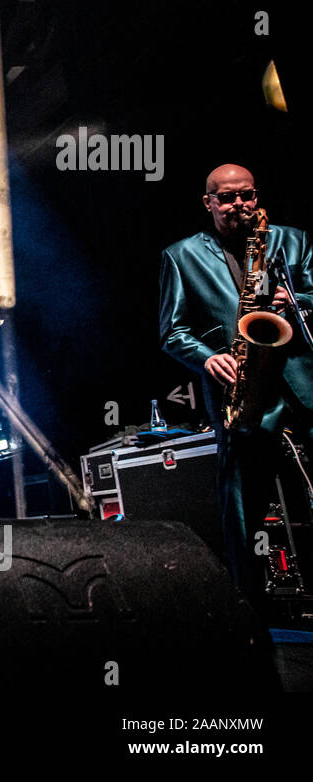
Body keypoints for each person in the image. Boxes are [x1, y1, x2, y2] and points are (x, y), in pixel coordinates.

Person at [159, 162, 313, 614]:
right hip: (243, 391)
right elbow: (172, 331)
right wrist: (208, 358)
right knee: (243, 506)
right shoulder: (181, 255)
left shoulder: (291, 240)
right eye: (226, 198)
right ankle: (248, 606)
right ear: (208, 203)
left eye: (246, 195)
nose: (238, 205)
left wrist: (295, 299)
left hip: (302, 384)